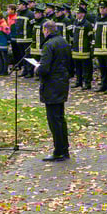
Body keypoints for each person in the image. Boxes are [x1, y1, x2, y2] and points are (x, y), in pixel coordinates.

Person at [36, 21, 72, 161]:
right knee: (60, 118)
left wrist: (37, 69)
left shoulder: (48, 45)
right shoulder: (63, 42)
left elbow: (45, 68)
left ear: (46, 30)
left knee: (53, 119)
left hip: (51, 85)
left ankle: (59, 151)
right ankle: (64, 148)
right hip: (62, 82)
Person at [71, 5, 94, 89]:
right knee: (77, 67)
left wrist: (90, 48)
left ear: (83, 14)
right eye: (77, 13)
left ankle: (87, 83)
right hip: (76, 49)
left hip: (85, 49)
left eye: (79, 13)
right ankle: (78, 81)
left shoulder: (87, 24)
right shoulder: (75, 22)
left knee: (86, 68)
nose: (77, 14)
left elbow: (91, 37)